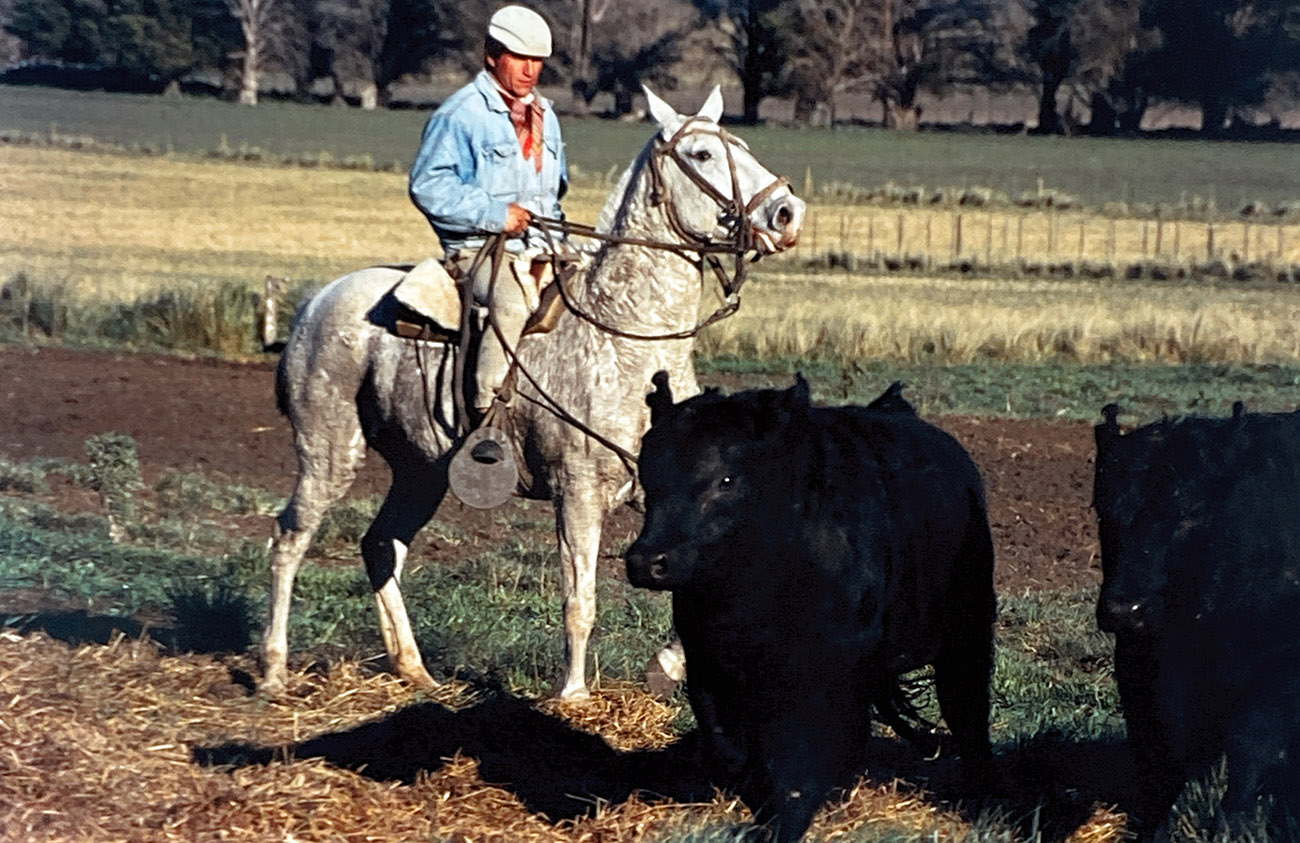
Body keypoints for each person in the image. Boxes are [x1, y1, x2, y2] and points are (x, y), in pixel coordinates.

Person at [409, 4, 568, 427]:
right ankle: (487, 414)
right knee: (512, 303)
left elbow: (555, 192)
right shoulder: (460, 114)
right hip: (478, 251)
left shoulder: (546, 118)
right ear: (492, 56)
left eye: (537, 61)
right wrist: (496, 215)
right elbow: (428, 186)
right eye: (519, 58)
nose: (529, 70)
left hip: (539, 247)